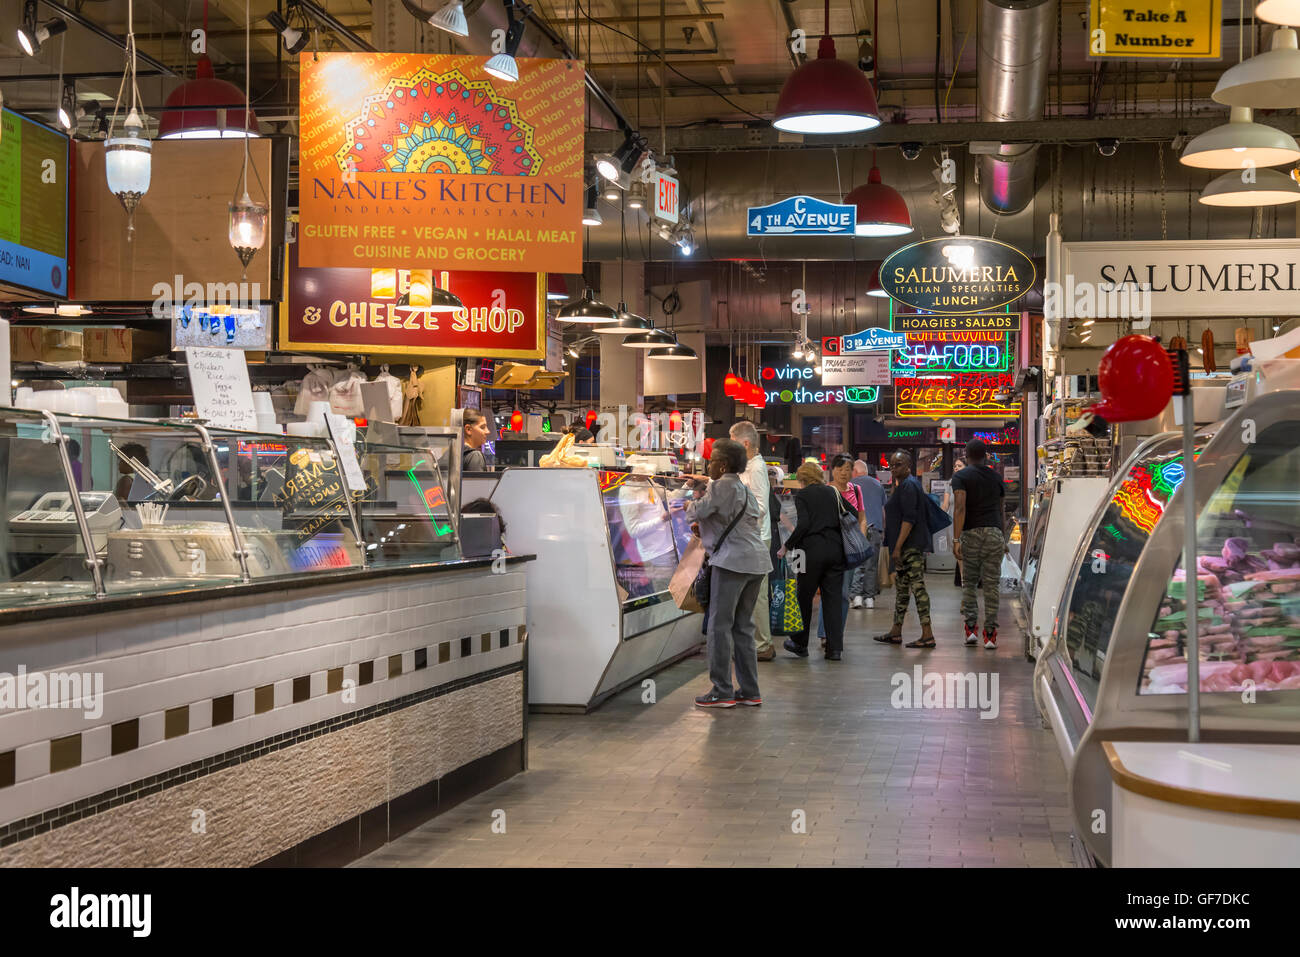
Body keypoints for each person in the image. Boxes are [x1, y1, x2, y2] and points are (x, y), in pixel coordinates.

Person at [686, 438, 771, 708]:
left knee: (719, 626)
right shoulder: (743, 489)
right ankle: (749, 690)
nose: (708, 466)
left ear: (722, 465)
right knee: (743, 627)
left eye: (711, 461)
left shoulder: (722, 485)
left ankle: (722, 690)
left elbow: (696, 512)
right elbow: (743, 520)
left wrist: (691, 497)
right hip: (756, 562)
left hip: (732, 563)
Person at [778, 462, 856, 661]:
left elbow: (803, 524)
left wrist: (787, 545)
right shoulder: (833, 492)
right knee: (833, 600)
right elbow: (853, 513)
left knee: (803, 597)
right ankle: (834, 649)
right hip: (835, 552)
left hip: (810, 553)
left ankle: (800, 643)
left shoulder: (803, 495)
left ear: (803, 479)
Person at [874, 450, 935, 648]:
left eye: (898, 464)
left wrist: (898, 547)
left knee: (917, 589)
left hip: (910, 546)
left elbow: (909, 519)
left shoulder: (909, 486)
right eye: (891, 464)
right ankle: (896, 631)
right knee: (902, 590)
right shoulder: (902, 485)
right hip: (904, 546)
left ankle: (927, 634)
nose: (893, 468)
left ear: (908, 465)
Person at [952, 439, 1007, 649]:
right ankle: (991, 635)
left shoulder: (961, 476)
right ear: (985, 456)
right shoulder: (996, 477)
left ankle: (971, 630)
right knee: (992, 585)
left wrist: (956, 539)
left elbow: (959, 507)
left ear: (966, 455)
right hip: (994, 533)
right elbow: (1001, 509)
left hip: (971, 533)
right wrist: (1002, 537)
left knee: (970, 583)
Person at [729, 420, 774, 661]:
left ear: (745, 443)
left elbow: (760, 506)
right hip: (749, 537)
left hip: (756, 538)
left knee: (757, 595)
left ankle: (763, 645)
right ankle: (756, 643)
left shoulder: (756, 468)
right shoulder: (747, 467)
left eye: (734, 443)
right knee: (750, 595)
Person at [817, 453, 865, 647]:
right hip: (830, 548)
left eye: (847, 469)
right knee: (828, 592)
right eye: (840, 469)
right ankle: (823, 633)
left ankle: (837, 633)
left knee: (843, 594)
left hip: (850, 549)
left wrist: (860, 541)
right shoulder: (825, 491)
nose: (844, 473)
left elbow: (862, 518)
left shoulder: (857, 490)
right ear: (833, 470)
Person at [849, 459, 886, 608]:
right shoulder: (878, 485)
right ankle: (869, 598)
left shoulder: (851, 485)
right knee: (872, 564)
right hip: (876, 529)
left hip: (857, 529)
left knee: (857, 563)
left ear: (855, 471)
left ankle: (856, 596)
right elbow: (883, 511)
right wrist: (883, 530)